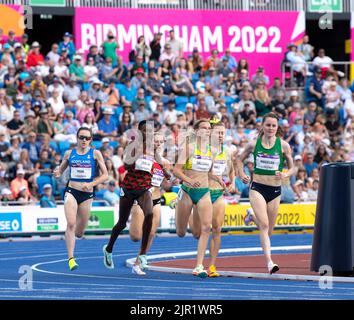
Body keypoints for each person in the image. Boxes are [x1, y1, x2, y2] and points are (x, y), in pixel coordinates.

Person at [235, 112, 295, 274]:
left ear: (277, 127)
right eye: (268, 125)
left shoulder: (283, 146)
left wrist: (285, 175)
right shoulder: (253, 145)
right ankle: (269, 262)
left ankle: (250, 215)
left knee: (268, 230)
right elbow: (239, 160)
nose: (270, 128)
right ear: (262, 126)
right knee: (265, 225)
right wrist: (241, 174)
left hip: (275, 190)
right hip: (258, 188)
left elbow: (293, 167)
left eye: (273, 125)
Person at [102, 120, 162, 275]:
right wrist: (137, 161)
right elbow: (126, 166)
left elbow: (159, 163)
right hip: (129, 188)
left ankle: (142, 254)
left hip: (144, 189)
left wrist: (167, 173)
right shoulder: (132, 145)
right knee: (121, 223)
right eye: (144, 130)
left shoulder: (152, 149)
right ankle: (108, 249)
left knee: (149, 214)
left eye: (150, 131)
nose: (147, 133)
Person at [53, 127, 108, 271]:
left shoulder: (95, 154)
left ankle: (78, 235)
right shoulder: (69, 153)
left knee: (79, 232)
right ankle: (71, 259)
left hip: (87, 195)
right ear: (77, 138)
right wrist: (57, 172)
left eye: (87, 138)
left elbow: (105, 175)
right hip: (71, 191)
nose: (84, 140)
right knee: (71, 223)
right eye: (81, 137)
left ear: (91, 140)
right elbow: (61, 169)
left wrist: (91, 184)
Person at [189, 121, 235, 277]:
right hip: (203, 192)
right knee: (197, 232)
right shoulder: (204, 150)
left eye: (223, 133)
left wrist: (232, 182)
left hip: (218, 194)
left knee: (217, 229)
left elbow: (231, 169)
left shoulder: (227, 151)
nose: (221, 136)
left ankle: (211, 266)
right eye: (218, 133)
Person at [173, 119, 213, 278]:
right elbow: (176, 170)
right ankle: (180, 207)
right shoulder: (188, 148)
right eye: (203, 128)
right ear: (196, 131)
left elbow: (210, 172)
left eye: (209, 128)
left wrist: (221, 181)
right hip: (188, 191)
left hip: (204, 192)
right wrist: (189, 180)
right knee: (181, 232)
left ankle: (198, 266)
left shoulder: (212, 150)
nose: (207, 131)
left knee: (204, 229)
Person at [129, 130, 170, 270]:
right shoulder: (142, 157)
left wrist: (172, 182)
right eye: (155, 141)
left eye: (160, 142)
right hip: (141, 199)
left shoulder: (165, 163)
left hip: (156, 200)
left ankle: (138, 262)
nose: (158, 144)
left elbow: (166, 183)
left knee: (151, 232)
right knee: (135, 236)